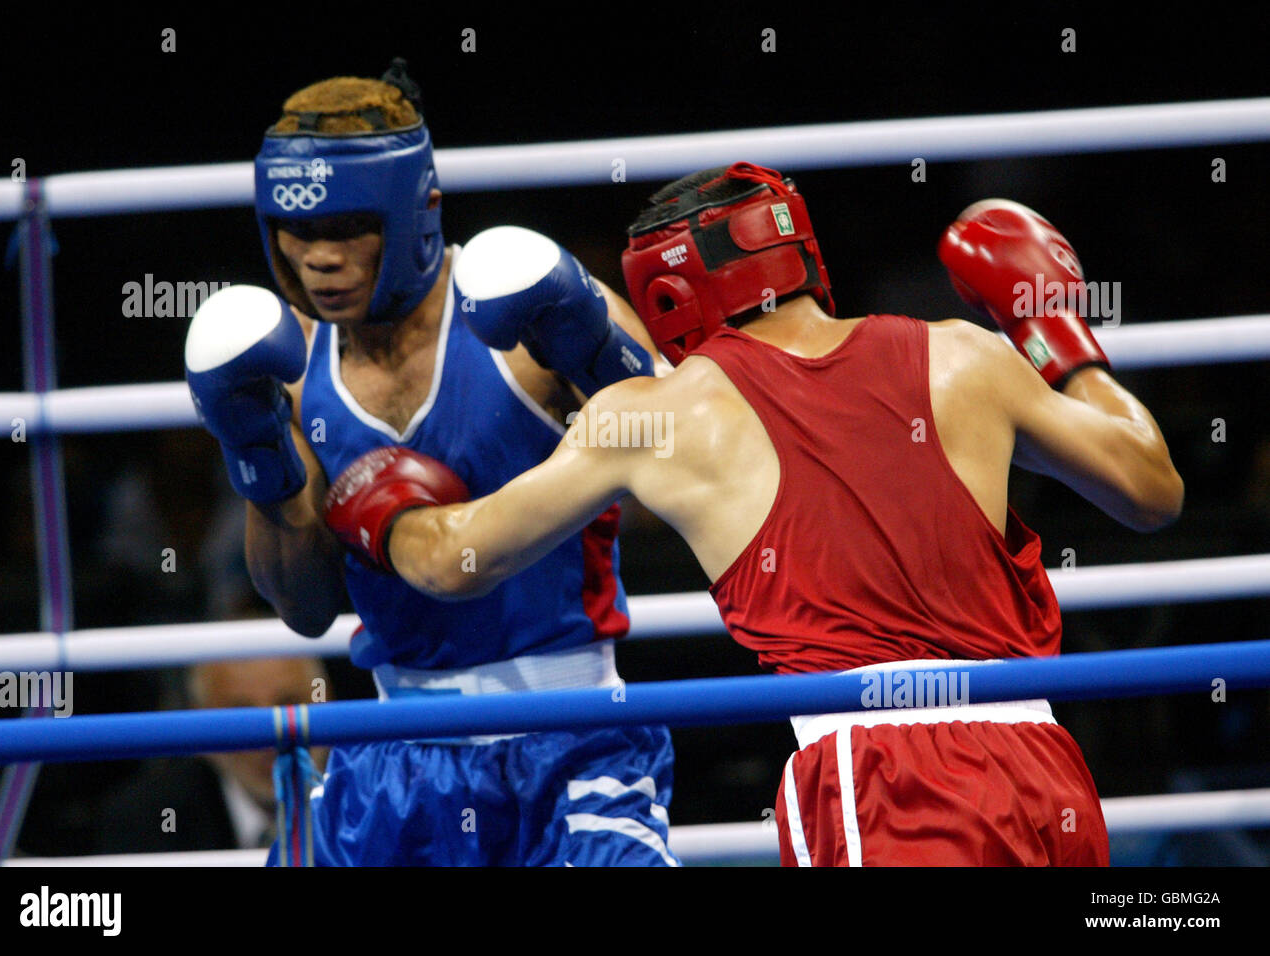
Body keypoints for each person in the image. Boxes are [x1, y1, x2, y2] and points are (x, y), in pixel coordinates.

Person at [338, 162, 1186, 866]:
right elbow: (1153, 489)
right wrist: (1051, 327)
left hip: (883, 775)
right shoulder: (963, 355)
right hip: (1043, 763)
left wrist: (374, 502)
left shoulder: (661, 414)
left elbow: (455, 563)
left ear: (666, 298)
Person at [184, 60, 677, 866]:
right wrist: (259, 461)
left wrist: (607, 367)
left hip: (571, 739)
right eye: (297, 230)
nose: (319, 258)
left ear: (417, 214)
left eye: (347, 227)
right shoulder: (293, 360)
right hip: (393, 753)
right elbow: (304, 609)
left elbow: (686, 477)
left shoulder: (528, 313)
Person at [96, 657, 330, 854]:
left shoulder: (363, 797)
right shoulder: (147, 820)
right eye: (241, 715)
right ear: (201, 724)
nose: (270, 738)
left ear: (327, 702)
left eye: (287, 705)